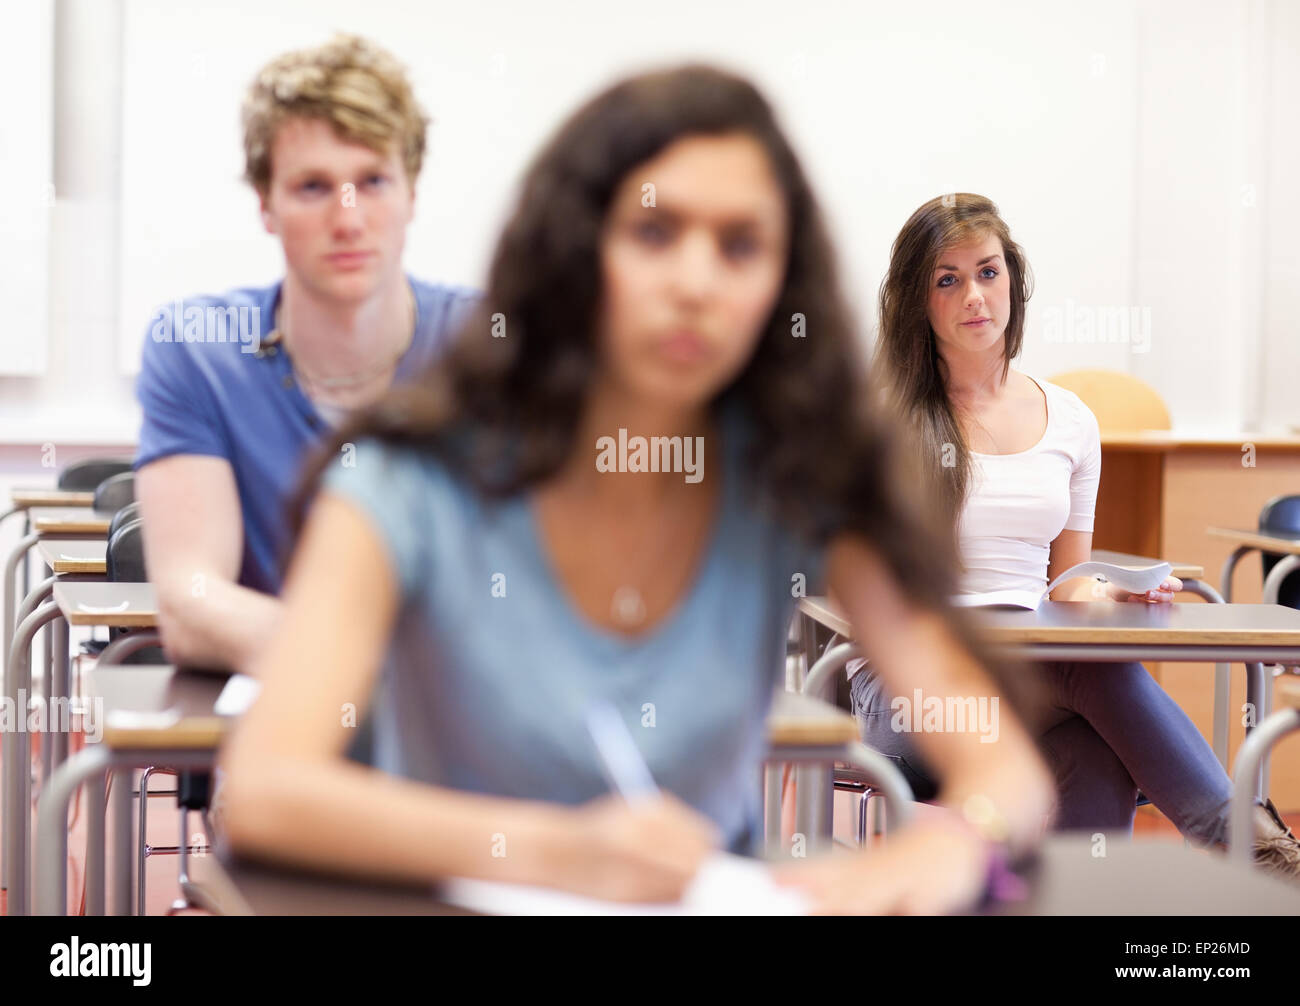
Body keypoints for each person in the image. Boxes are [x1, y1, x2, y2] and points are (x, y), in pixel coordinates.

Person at [219, 67, 1055, 914]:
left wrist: (959, 840)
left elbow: (1005, 766)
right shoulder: (406, 478)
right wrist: (554, 853)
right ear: (575, 252)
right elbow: (263, 790)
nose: (698, 283)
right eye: (655, 234)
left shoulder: (792, 472)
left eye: (740, 246)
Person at [855, 192, 1300, 878]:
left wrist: (1113, 596)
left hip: (1036, 673)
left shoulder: (1069, 421)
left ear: (1014, 283)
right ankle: (1248, 850)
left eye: (988, 272)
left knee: (1096, 742)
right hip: (913, 692)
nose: (975, 294)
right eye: (948, 279)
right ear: (919, 300)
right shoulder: (884, 423)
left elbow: (1068, 580)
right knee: (1083, 668)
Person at [134, 34, 475, 673]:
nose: (348, 221)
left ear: (412, 193)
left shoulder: (485, 349)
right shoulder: (198, 350)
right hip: (280, 727)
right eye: (314, 187)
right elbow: (190, 602)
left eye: (372, 182)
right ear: (266, 203)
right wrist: (388, 671)